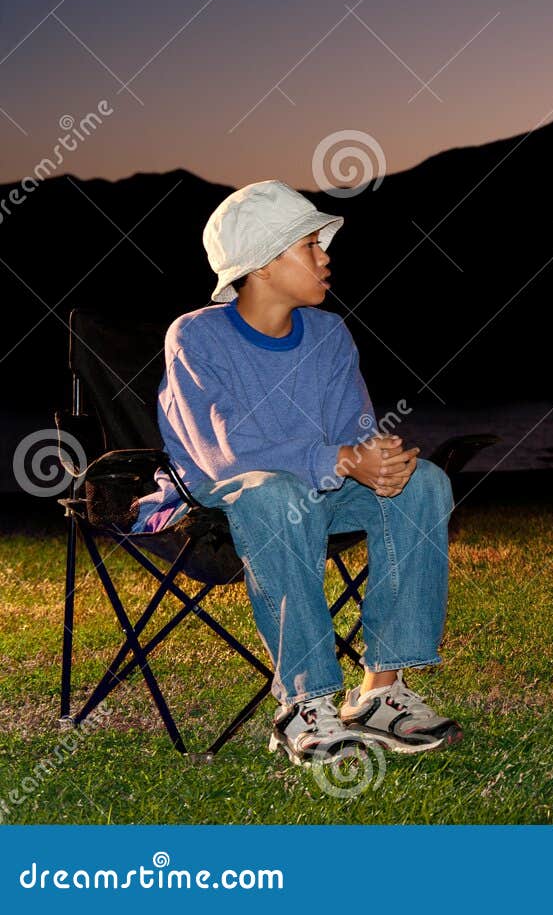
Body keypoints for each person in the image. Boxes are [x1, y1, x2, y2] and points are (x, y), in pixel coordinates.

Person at [132, 180, 462, 766]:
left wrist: (378, 459)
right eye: (309, 245)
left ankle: (381, 694)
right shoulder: (195, 336)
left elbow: (352, 430)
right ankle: (305, 705)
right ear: (261, 264)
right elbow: (226, 453)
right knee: (274, 492)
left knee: (424, 483)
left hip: (319, 488)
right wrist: (341, 459)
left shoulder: (329, 334)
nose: (325, 256)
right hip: (220, 498)